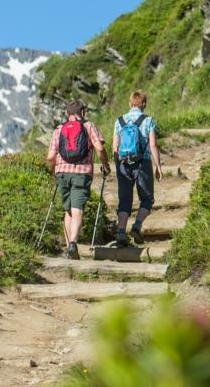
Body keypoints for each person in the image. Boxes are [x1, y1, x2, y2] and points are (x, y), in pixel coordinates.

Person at [47, 100, 108, 259]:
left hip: (62, 172)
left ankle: (69, 249)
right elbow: (99, 148)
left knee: (68, 210)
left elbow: (50, 156)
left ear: (67, 114)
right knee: (77, 209)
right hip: (81, 173)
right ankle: (73, 244)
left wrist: (53, 172)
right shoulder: (88, 126)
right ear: (82, 112)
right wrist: (105, 165)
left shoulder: (59, 129)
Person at [112, 89, 162, 246]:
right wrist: (158, 166)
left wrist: (118, 166)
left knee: (124, 200)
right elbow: (153, 146)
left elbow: (115, 148)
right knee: (147, 199)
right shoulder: (148, 120)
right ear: (144, 104)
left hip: (123, 164)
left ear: (130, 103)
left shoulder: (119, 121)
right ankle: (137, 225)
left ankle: (121, 232)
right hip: (143, 163)